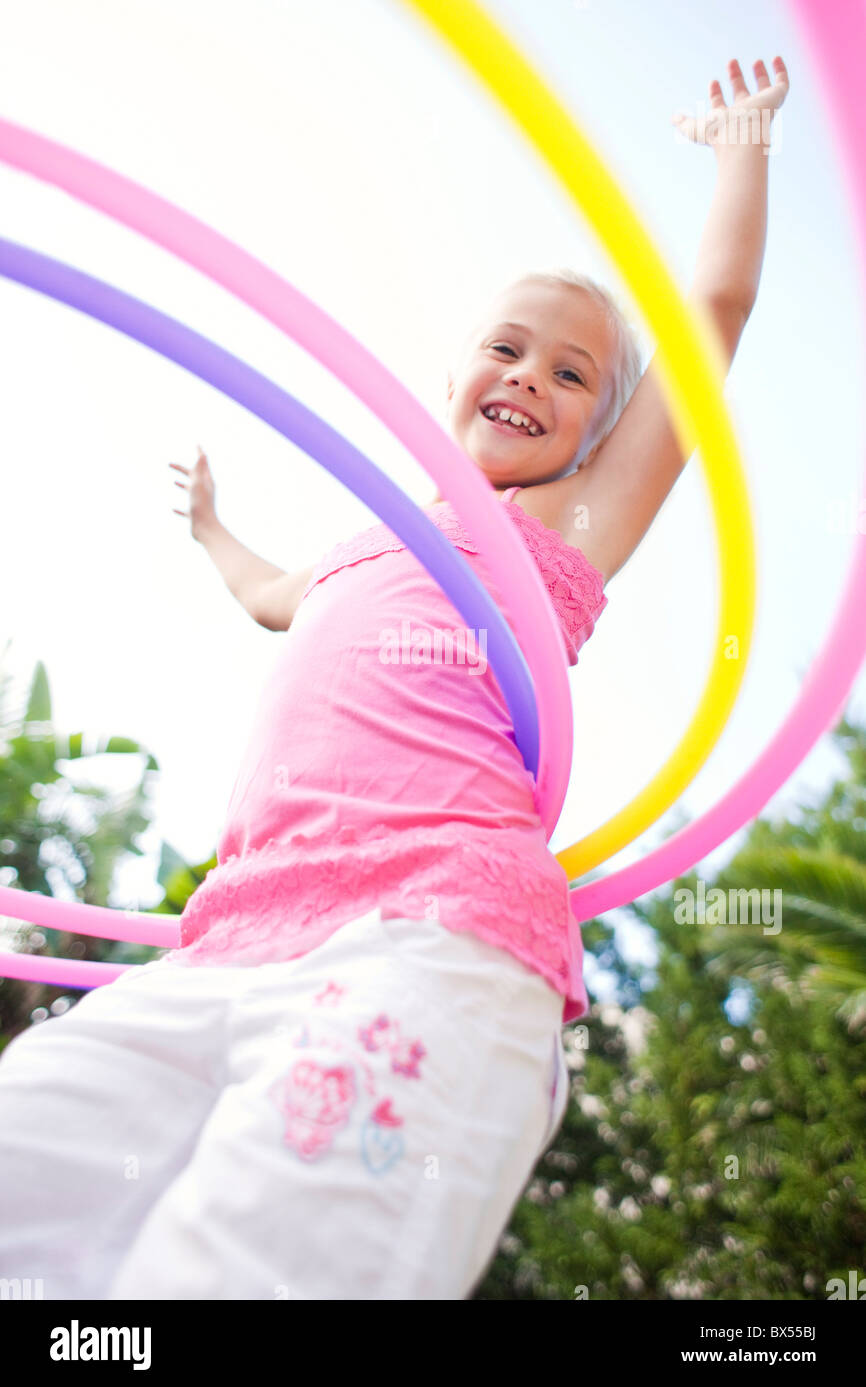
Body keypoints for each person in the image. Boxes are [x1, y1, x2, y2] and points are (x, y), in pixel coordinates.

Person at [0, 55, 788, 1300]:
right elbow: (271, 596)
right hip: (228, 938)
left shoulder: (566, 532)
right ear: (451, 381)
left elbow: (712, 318)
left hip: (437, 928)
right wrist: (212, 527)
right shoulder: (371, 534)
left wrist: (741, 143)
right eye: (508, 347)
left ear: (593, 433)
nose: (530, 374)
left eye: (572, 374)